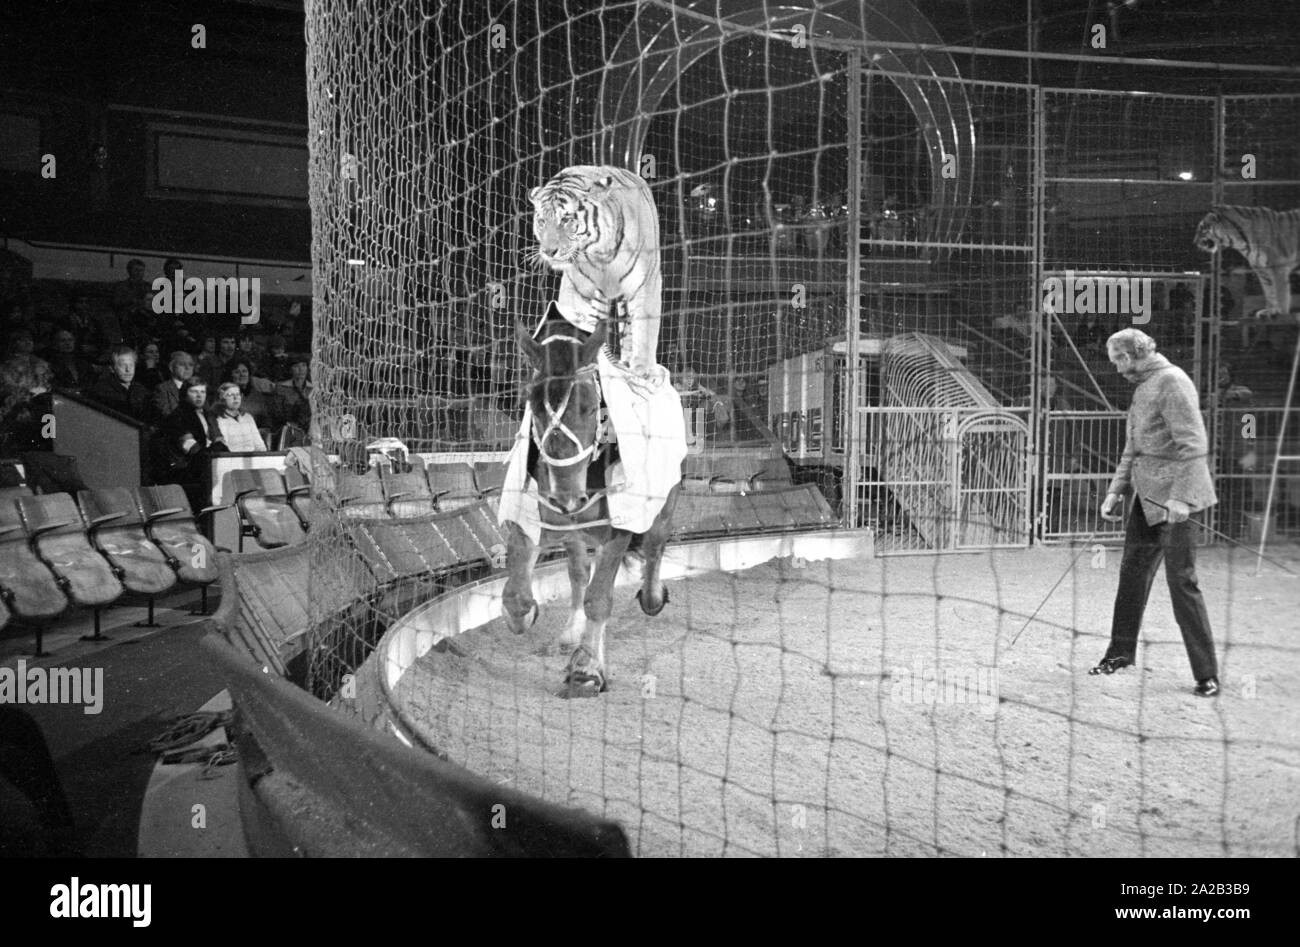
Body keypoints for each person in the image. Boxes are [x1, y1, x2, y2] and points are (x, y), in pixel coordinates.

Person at [1091, 328, 1221, 697]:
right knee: (1131, 575)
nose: (1117, 369)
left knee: (1182, 583)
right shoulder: (1143, 386)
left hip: (1176, 502)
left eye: (1118, 360)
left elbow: (1194, 444)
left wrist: (1182, 498)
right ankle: (1119, 654)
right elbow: (1133, 448)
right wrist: (1116, 491)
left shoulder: (1173, 381)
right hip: (1145, 500)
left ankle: (1206, 674)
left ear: (1133, 355)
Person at [156, 378, 226, 507]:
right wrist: (217, 448)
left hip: (207, 465)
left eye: (202, 392)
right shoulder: (177, 417)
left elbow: (219, 441)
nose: (199, 396)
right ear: (184, 394)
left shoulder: (207, 414)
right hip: (186, 471)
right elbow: (192, 449)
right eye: (194, 392)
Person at [85, 345, 154, 424]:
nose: (128, 370)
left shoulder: (140, 389)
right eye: (123, 365)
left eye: (131, 365)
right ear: (112, 368)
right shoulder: (101, 389)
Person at [212, 382, 267, 452]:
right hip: (232, 459)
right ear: (222, 399)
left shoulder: (248, 417)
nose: (235, 398)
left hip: (252, 458)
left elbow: (260, 446)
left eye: (237, 394)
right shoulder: (218, 420)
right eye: (230, 395)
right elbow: (224, 448)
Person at [152, 351, 196, 419]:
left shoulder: (198, 389)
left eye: (190, 364)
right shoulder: (162, 389)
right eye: (182, 364)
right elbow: (166, 416)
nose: (187, 368)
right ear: (171, 367)